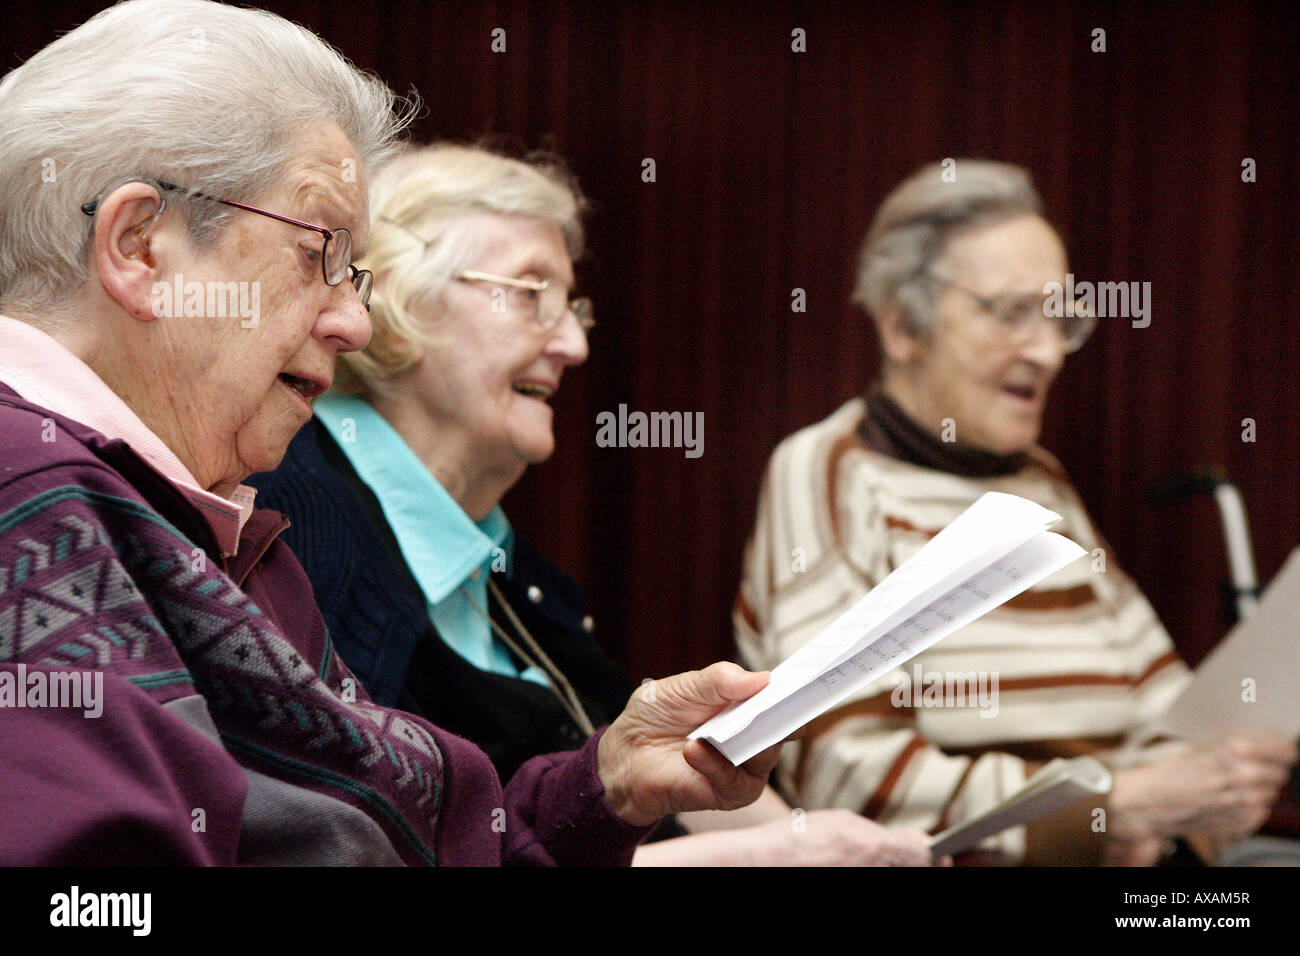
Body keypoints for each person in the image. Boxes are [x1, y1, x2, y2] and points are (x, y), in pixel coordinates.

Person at [0, 0, 782, 867]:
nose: (354, 324)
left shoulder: (210, 519)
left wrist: (606, 788)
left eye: (355, 271)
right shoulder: (27, 501)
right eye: (317, 254)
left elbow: (405, 840)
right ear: (141, 248)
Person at [249, 142, 936, 867]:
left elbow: (666, 763)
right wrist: (772, 859)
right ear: (391, 297)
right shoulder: (297, 515)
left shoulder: (511, 569)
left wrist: (830, 841)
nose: (574, 343)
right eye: (530, 293)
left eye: (572, 305)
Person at [733, 159, 1297, 865]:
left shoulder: (1041, 485)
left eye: (1060, 318)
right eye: (1012, 314)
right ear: (904, 325)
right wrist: (1103, 811)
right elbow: (847, 768)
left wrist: (1222, 766)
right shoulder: (828, 471)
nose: (1049, 351)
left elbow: (1159, 704)